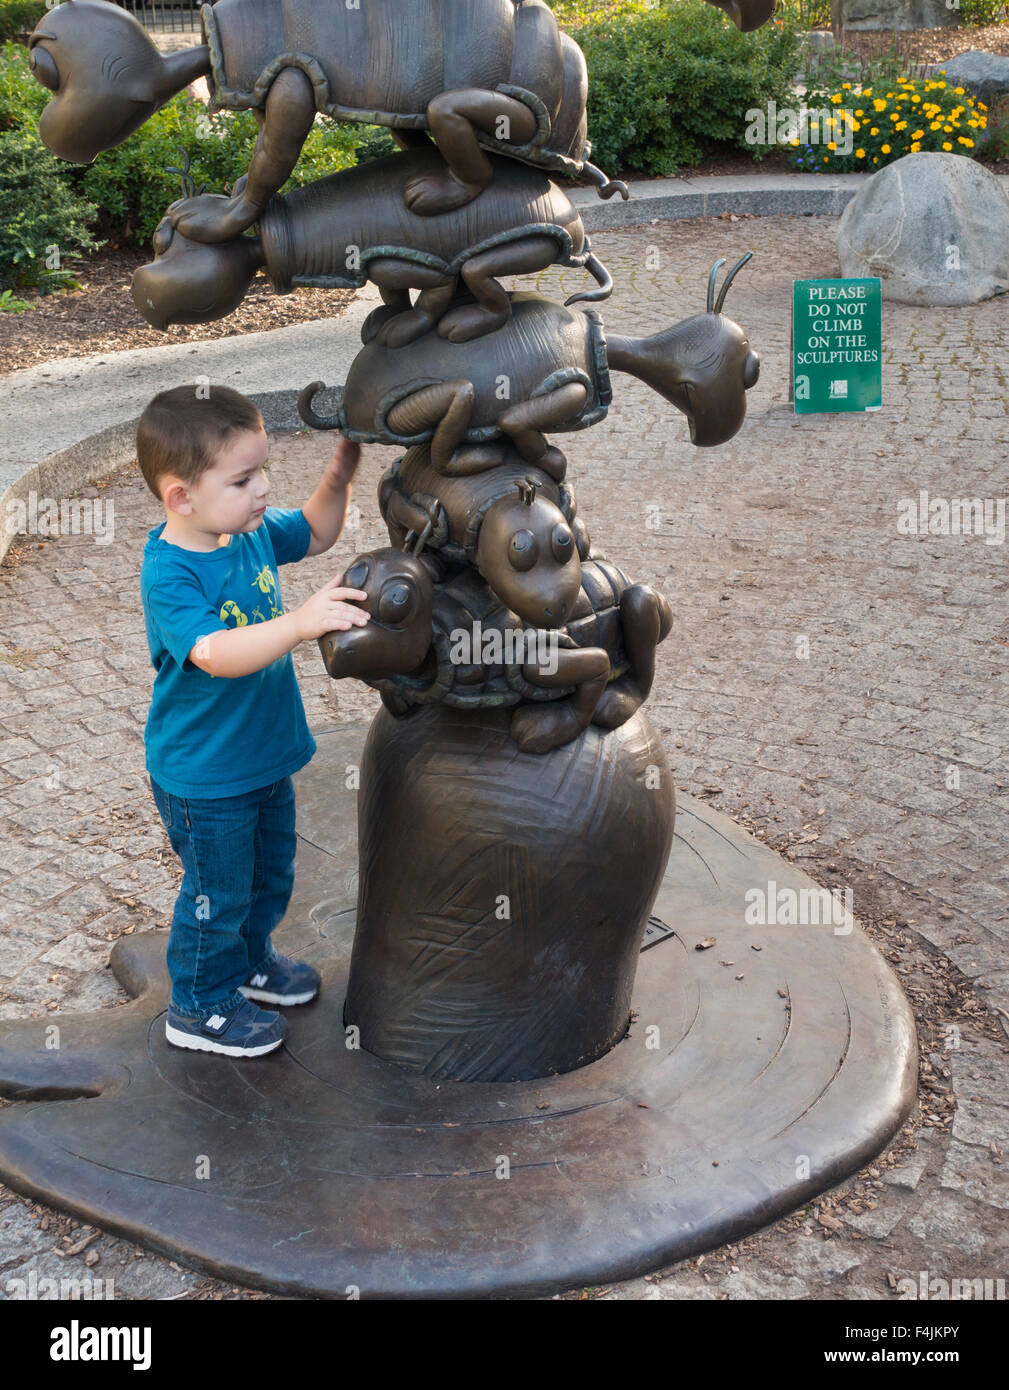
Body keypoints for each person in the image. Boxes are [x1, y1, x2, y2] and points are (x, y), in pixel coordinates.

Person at [138, 384, 369, 1057]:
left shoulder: (249, 531)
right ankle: (200, 1004)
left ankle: (250, 962)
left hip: (262, 757)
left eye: (264, 469)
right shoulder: (173, 572)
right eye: (244, 478)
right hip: (205, 777)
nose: (264, 488)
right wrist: (297, 623)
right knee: (217, 892)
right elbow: (213, 655)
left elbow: (319, 530)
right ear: (181, 497)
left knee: (270, 874)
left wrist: (339, 475)